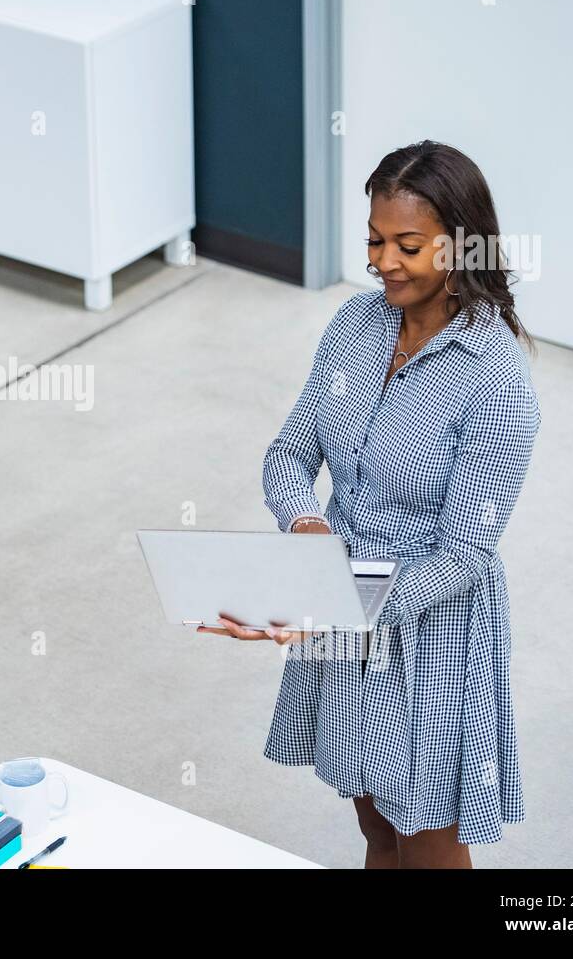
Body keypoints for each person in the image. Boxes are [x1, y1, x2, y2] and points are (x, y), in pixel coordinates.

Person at [200, 141, 540, 868]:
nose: (383, 261)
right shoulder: (356, 325)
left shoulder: (498, 383)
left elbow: (464, 555)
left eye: (407, 245)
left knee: (425, 843)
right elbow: (289, 453)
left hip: (428, 634)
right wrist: (309, 525)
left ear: (462, 246)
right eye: (374, 241)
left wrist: (333, 604)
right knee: (376, 830)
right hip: (342, 607)